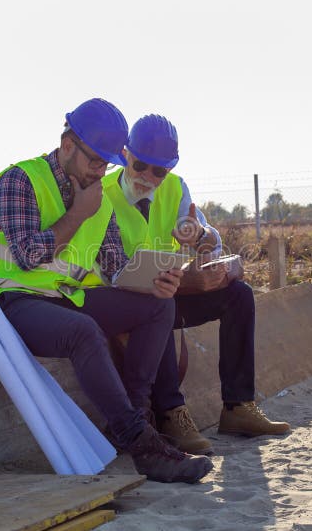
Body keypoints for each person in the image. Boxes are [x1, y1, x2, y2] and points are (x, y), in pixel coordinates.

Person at [0, 98, 213, 483]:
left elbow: (116, 266)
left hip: (64, 299)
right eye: (93, 161)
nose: (99, 172)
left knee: (158, 306)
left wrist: (154, 281)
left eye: (105, 164)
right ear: (67, 145)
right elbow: (28, 256)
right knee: (84, 333)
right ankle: (143, 444)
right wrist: (78, 212)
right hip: (12, 300)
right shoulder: (21, 180)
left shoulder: (97, 196)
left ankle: (136, 414)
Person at [101, 113, 291, 455]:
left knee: (239, 295)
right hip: (126, 302)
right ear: (126, 155)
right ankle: (172, 413)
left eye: (159, 171)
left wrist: (200, 236)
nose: (148, 177)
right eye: (141, 166)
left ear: (169, 170)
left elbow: (210, 242)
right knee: (158, 305)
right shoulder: (101, 195)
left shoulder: (176, 189)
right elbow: (106, 272)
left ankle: (238, 407)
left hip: (169, 292)